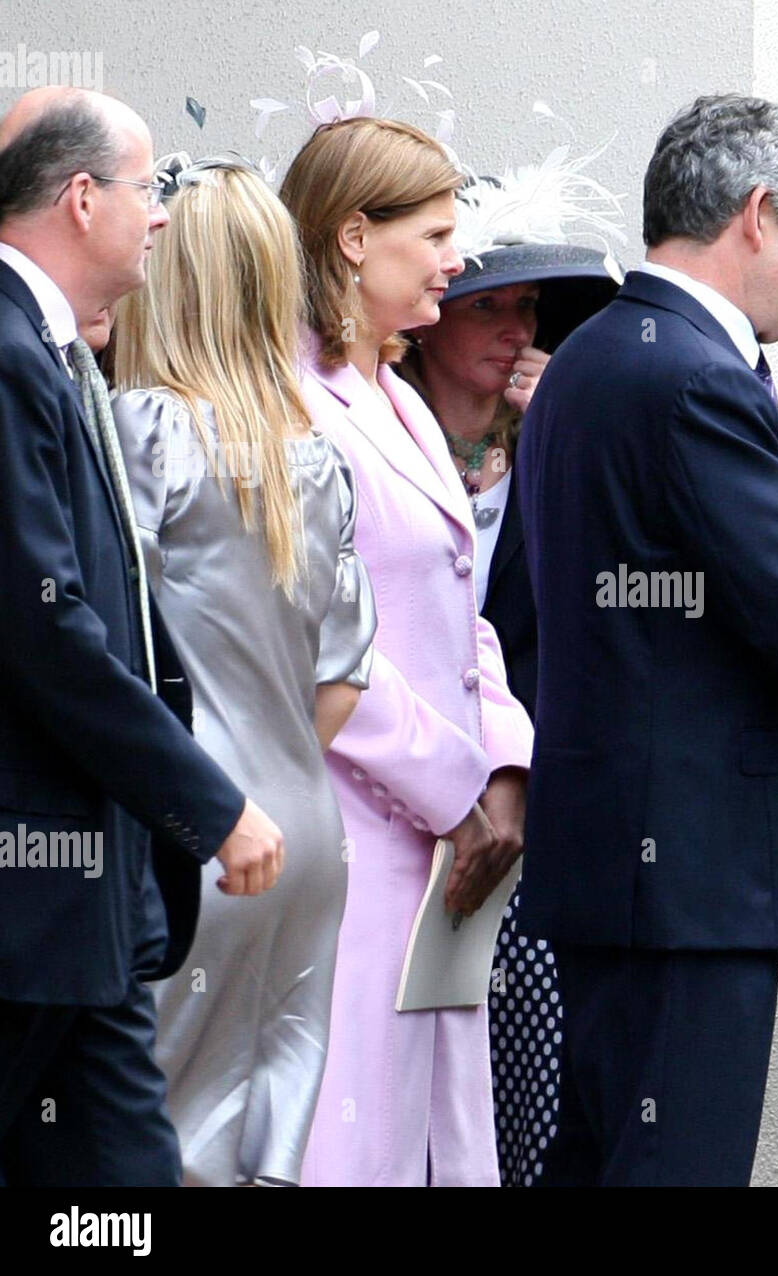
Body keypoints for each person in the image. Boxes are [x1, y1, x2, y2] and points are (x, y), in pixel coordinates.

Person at [516, 93, 778, 1187]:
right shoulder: (694, 378)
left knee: (608, 1155)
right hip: (692, 878)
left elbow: (519, 611)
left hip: (620, 860)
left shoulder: (585, 362)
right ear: (758, 214)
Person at [0, 87, 283, 1187]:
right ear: (80, 199)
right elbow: (44, 629)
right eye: (145, 188)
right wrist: (206, 802)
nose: (162, 214)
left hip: (83, 904)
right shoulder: (14, 356)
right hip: (32, 902)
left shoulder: (51, 352)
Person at [110, 158, 376, 1186]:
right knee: (274, 1124)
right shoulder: (317, 450)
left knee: (163, 1127)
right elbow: (346, 675)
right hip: (306, 828)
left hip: (195, 826)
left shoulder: (145, 430)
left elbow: (101, 636)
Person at [281, 116, 535, 1188]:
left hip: (446, 849)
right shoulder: (294, 403)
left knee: (442, 1140)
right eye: (433, 234)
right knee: (356, 1141)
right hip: (359, 836)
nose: (456, 260)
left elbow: (457, 609)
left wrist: (508, 766)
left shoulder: (398, 398)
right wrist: (455, 786)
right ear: (350, 239)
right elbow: (316, 641)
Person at [396, 169, 621, 1187]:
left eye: (526, 308)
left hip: (536, 828)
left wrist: (554, 446)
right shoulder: (378, 444)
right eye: (485, 304)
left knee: (524, 1112)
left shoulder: (555, 450)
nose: (511, 326)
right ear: (430, 317)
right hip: (400, 809)